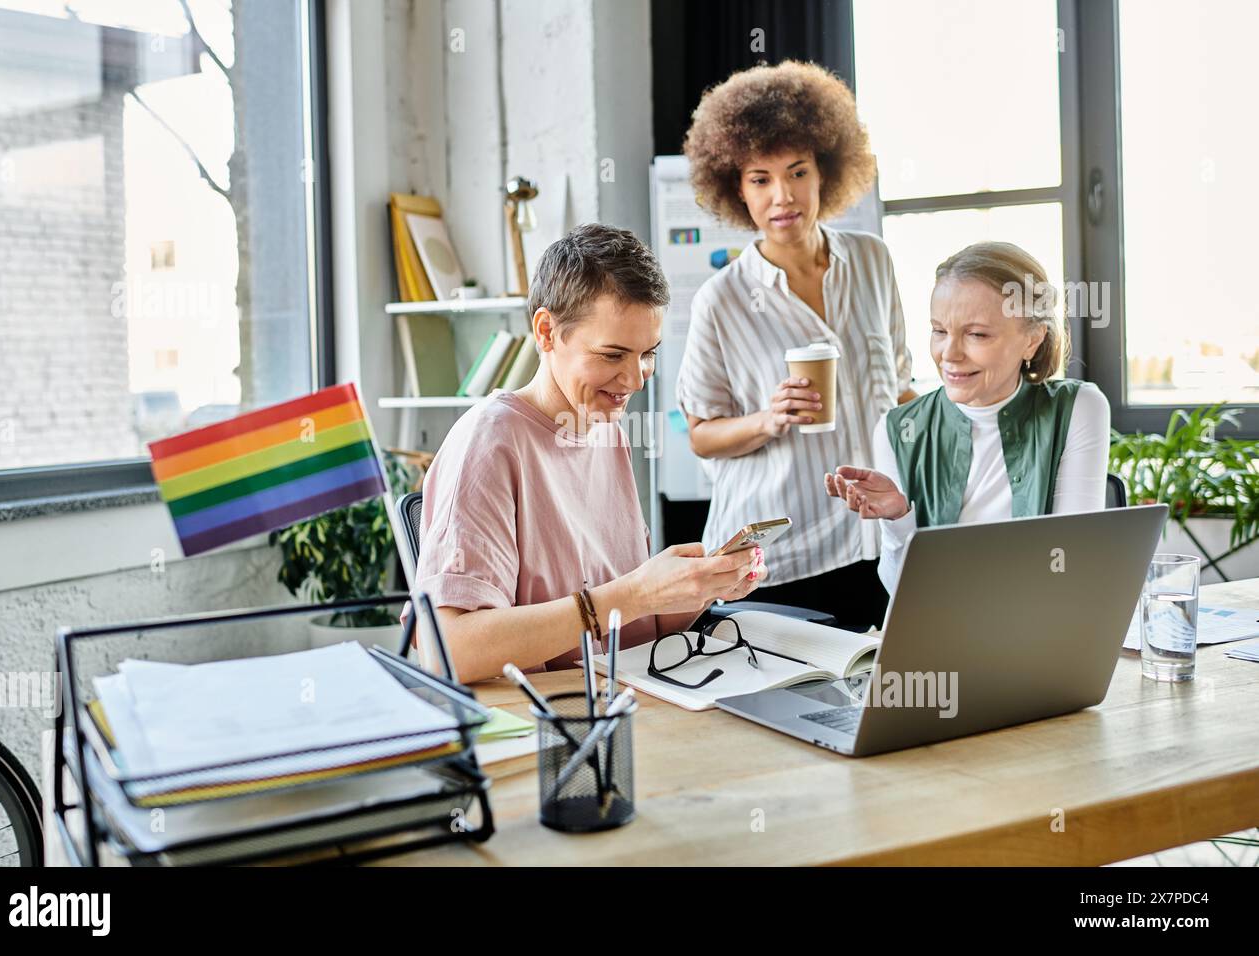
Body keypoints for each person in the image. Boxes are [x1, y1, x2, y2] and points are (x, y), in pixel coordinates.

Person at [405, 223, 768, 684]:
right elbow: (448, 650)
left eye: (647, 355)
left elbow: (632, 626)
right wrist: (634, 594)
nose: (636, 380)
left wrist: (697, 587)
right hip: (550, 725)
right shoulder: (490, 442)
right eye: (613, 355)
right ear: (547, 331)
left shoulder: (604, 428)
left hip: (626, 706)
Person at [675, 60, 917, 630]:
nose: (782, 196)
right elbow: (701, 435)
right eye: (760, 179)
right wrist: (768, 418)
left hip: (878, 546)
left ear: (824, 172)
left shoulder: (872, 261)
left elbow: (903, 392)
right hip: (781, 560)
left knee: (878, 707)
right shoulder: (721, 300)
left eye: (797, 171)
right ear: (736, 189)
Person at [824, 241, 1111, 595]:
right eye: (939, 331)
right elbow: (904, 595)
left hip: (1039, 631)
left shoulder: (1078, 408)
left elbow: (1071, 563)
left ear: (1032, 340)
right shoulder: (898, 430)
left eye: (977, 334)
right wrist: (899, 520)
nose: (950, 354)